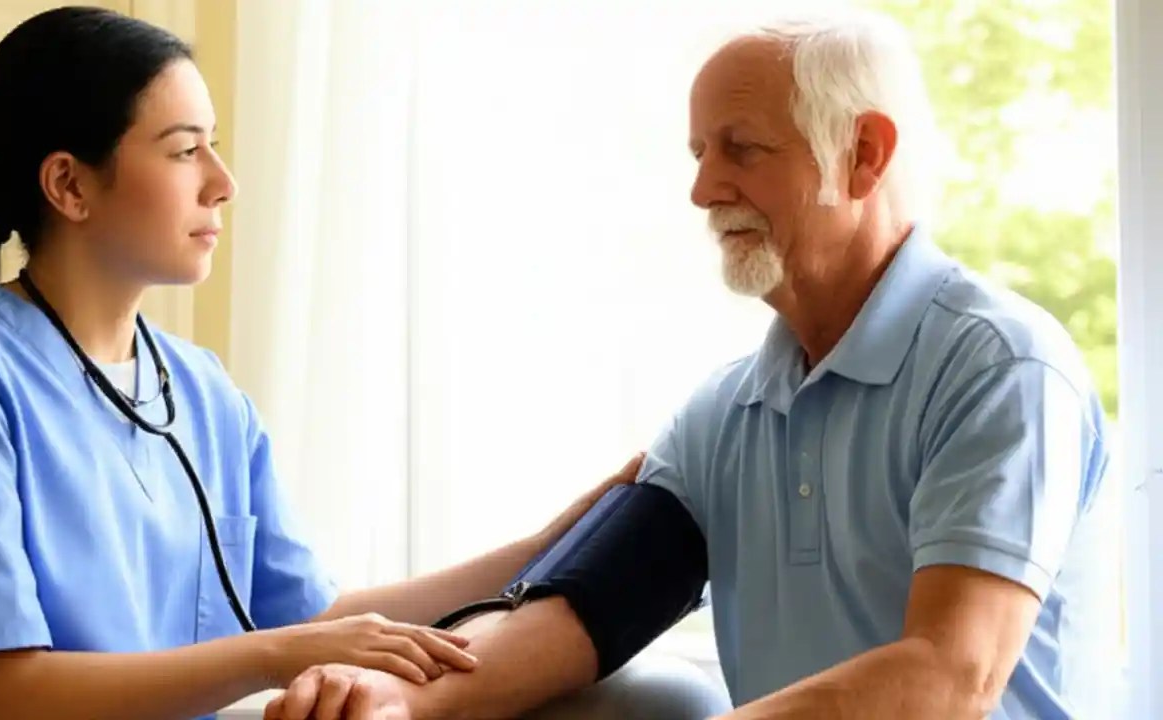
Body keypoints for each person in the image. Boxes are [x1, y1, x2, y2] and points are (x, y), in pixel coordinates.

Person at [264, 9, 1117, 720]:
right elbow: (583, 607)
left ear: (864, 154)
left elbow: (948, 676)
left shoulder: (1000, 369)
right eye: (699, 153)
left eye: (742, 150)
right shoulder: (726, 412)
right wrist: (399, 703)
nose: (703, 189)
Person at [0, 8, 642, 720]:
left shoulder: (205, 393)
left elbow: (317, 620)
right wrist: (281, 656)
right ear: (69, 185)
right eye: (185, 150)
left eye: (213, 145)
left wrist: (548, 546)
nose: (224, 181)